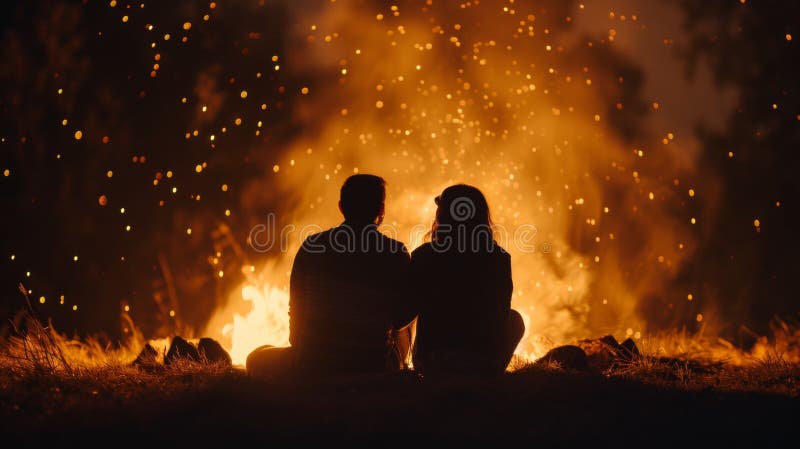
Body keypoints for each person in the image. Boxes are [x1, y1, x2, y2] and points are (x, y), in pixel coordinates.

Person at [246, 174, 413, 379]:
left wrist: (308, 350)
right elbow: (400, 319)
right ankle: (399, 369)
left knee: (256, 357)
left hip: (312, 363)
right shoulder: (396, 254)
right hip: (372, 365)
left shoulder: (312, 246)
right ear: (381, 210)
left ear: (341, 207)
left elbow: (296, 314)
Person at [411, 184, 525, 376]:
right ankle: (489, 372)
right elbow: (500, 313)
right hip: (482, 361)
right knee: (515, 320)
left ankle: (406, 368)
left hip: (434, 361)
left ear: (442, 216)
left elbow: (406, 311)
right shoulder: (498, 258)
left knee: (405, 318)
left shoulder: (424, 255)